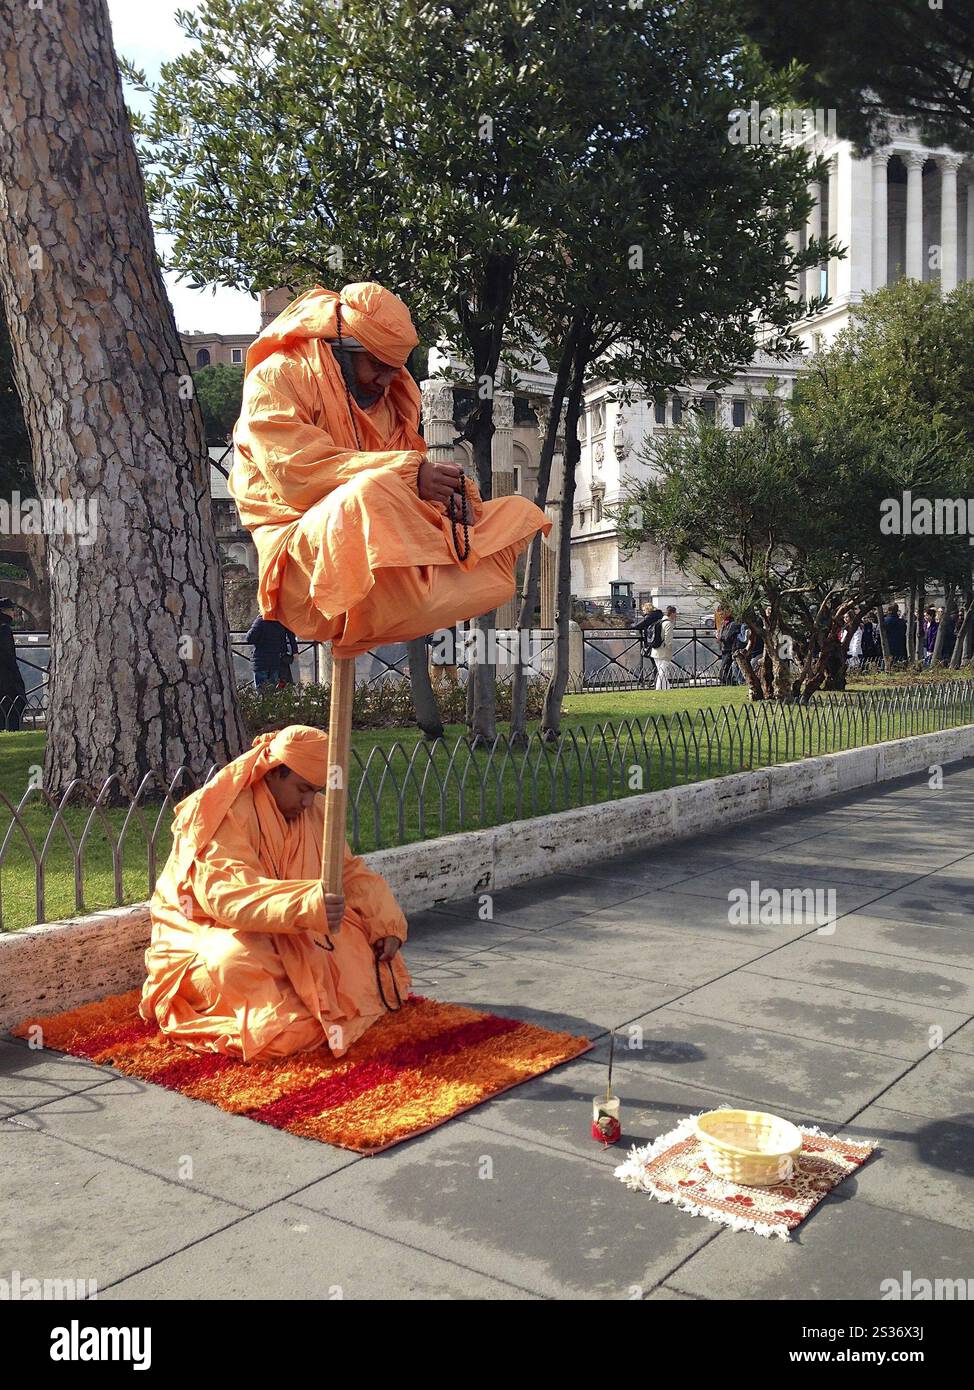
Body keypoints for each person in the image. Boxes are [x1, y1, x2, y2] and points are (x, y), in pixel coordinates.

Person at [230, 281, 551, 657]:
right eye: (378, 367)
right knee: (371, 492)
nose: (385, 380)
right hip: (301, 555)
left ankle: (414, 595)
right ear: (343, 348)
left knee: (513, 513)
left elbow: (404, 497)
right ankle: (390, 600)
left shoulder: (391, 397)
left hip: (379, 546)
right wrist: (412, 476)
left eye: (393, 369)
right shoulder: (278, 377)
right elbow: (296, 475)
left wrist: (452, 506)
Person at [140, 725, 411, 1062]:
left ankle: (302, 1016)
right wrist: (307, 904)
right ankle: (286, 1021)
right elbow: (226, 898)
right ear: (274, 773)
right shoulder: (226, 813)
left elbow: (346, 872)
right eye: (302, 789)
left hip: (289, 927)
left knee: (358, 940)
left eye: (316, 790)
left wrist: (385, 922)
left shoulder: (317, 810)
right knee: (231, 960)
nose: (308, 801)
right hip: (209, 933)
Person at [245, 616, 297, 690]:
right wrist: (295, 651)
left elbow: (249, 638)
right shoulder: (281, 621)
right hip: (276, 661)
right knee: (273, 690)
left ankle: (263, 700)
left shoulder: (260, 621)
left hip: (261, 661)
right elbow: (291, 636)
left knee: (261, 691)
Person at [0, 597, 27, 731]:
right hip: (6, 678)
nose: (13, 612)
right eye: (11, 609)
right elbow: (9, 656)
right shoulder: (4, 629)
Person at [654, 605, 680, 689]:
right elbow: (668, 639)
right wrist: (670, 650)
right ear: (672, 613)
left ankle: (666, 688)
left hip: (655, 649)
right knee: (662, 671)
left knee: (661, 670)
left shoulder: (660, 621)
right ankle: (658, 688)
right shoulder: (668, 623)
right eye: (675, 613)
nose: (676, 615)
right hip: (663, 650)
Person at [717, 612, 741, 685]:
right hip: (724, 648)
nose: (720, 615)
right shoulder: (723, 624)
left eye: (722, 613)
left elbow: (728, 636)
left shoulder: (733, 624)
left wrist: (720, 637)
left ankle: (728, 682)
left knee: (726, 667)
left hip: (730, 649)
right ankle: (726, 681)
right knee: (725, 667)